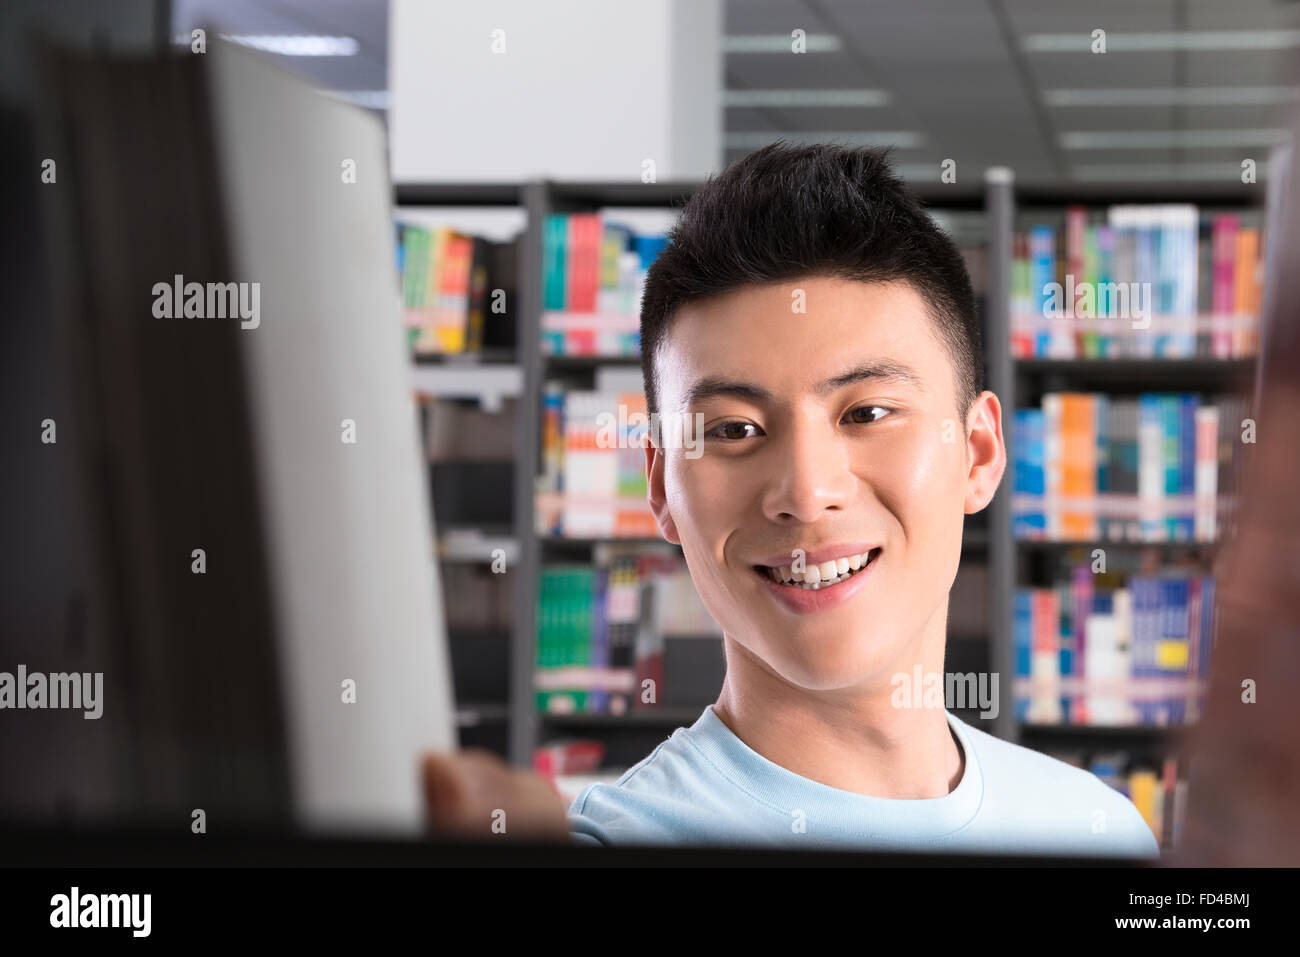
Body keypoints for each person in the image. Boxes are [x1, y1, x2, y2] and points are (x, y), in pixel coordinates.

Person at [423, 142, 1158, 858]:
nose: (805, 494)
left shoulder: (1102, 831)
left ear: (981, 453)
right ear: (661, 485)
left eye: (867, 414)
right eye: (734, 429)